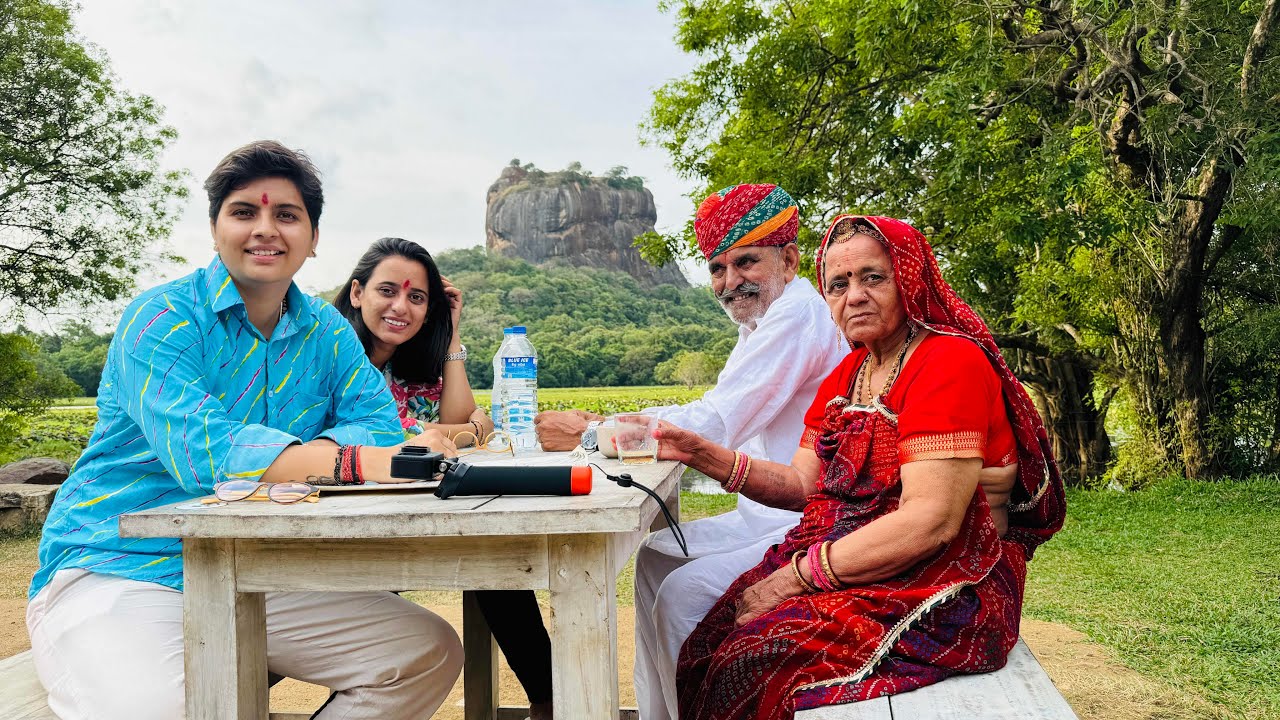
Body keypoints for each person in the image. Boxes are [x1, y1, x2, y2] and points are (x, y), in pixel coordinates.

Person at [25, 141, 464, 720]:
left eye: (286, 215)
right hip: (121, 564)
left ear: (312, 239)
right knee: (154, 710)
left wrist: (319, 453)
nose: (266, 229)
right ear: (214, 229)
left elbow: (379, 420)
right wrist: (350, 461)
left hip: (256, 567)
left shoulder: (325, 331)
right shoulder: (163, 317)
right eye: (243, 212)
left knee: (423, 652)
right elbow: (205, 451)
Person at [655, 216, 1067, 720]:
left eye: (873, 277)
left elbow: (930, 523)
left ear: (910, 279)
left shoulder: (947, 362)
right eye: (838, 284)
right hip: (857, 559)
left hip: (944, 581)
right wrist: (702, 454)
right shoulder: (851, 371)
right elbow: (802, 484)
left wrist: (794, 578)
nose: (854, 296)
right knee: (716, 631)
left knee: (756, 658)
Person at [535, 183, 847, 720]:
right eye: (718, 269)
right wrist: (599, 424)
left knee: (682, 593)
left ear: (790, 258)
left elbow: (715, 425)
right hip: (765, 514)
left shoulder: (796, 314)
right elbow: (712, 407)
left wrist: (592, 434)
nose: (730, 282)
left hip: (803, 517)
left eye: (746, 262)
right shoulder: (760, 324)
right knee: (656, 556)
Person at [334, 239, 552, 720]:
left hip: (404, 514)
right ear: (356, 292)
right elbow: (411, 436)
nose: (401, 307)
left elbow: (464, 422)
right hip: (343, 526)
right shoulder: (332, 356)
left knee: (493, 554)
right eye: (387, 291)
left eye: (417, 298)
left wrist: (451, 337)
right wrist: (464, 429)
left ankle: (548, 700)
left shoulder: (413, 365)